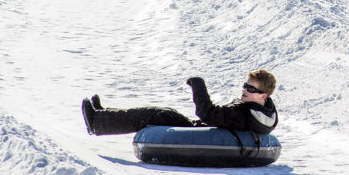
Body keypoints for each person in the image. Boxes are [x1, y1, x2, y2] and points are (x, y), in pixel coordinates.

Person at [81, 70, 278, 136]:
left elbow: (207, 113)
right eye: (245, 85)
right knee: (163, 113)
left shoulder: (244, 113)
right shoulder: (262, 112)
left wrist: (198, 85)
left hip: (199, 132)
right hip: (204, 130)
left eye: (251, 89)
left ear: (263, 96)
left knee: (158, 114)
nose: (245, 90)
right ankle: (103, 115)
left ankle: (97, 122)